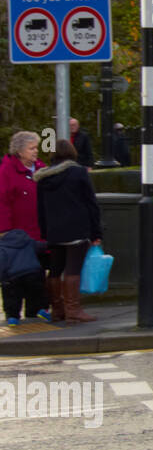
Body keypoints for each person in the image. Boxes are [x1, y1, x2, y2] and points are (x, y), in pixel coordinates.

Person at [35, 140, 103, 324]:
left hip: (54, 231)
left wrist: (45, 232)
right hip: (77, 229)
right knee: (73, 269)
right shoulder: (78, 172)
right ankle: (73, 310)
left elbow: (40, 208)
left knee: (55, 270)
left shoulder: (43, 177)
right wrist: (96, 232)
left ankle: (58, 310)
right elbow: (91, 204)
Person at [0, 131, 50, 321]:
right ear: (20, 151)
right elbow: (2, 201)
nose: (36, 151)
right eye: (32, 148)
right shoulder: (6, 171)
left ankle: (35, 309)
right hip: (16, 235)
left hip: (38, 231)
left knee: (36, 273)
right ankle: (13, 313)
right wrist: (4, 230)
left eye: (36, 147)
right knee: (15, 274)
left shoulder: (40, 168)